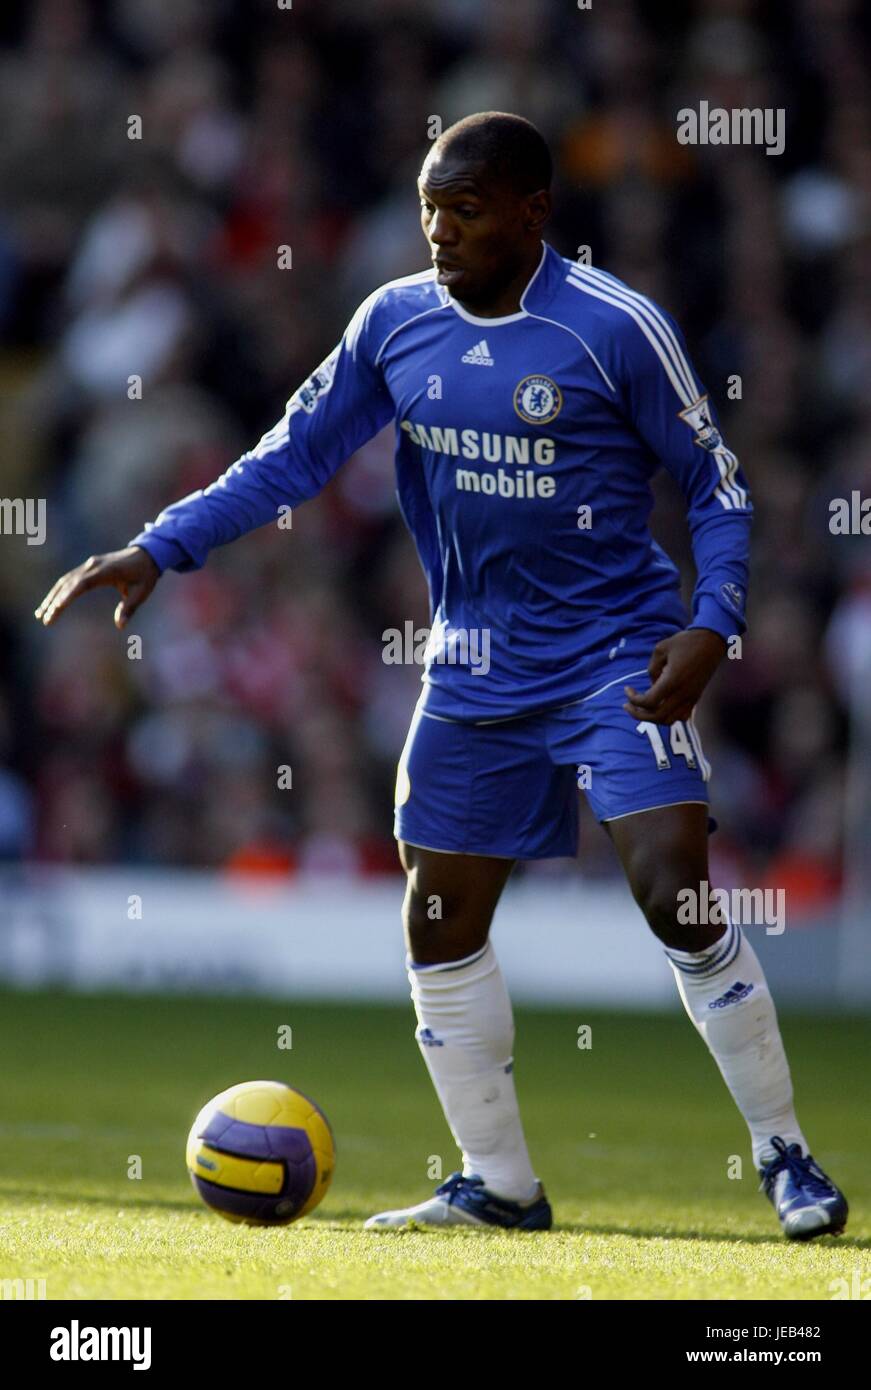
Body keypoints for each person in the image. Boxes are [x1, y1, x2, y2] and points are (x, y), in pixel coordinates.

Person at [35, 112, 847, 1240]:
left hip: (616, 652)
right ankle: (498, 1183)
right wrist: (160, 543)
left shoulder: (615, 328)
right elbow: (292, 454)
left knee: (676, 889)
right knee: (437, 916)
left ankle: (783, 1154)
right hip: (470, 662)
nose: (439, 229)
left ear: (532, 212)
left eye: (464, 209)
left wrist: (713, 624)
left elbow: (716, 486)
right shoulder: (395, 323)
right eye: (428, 205)